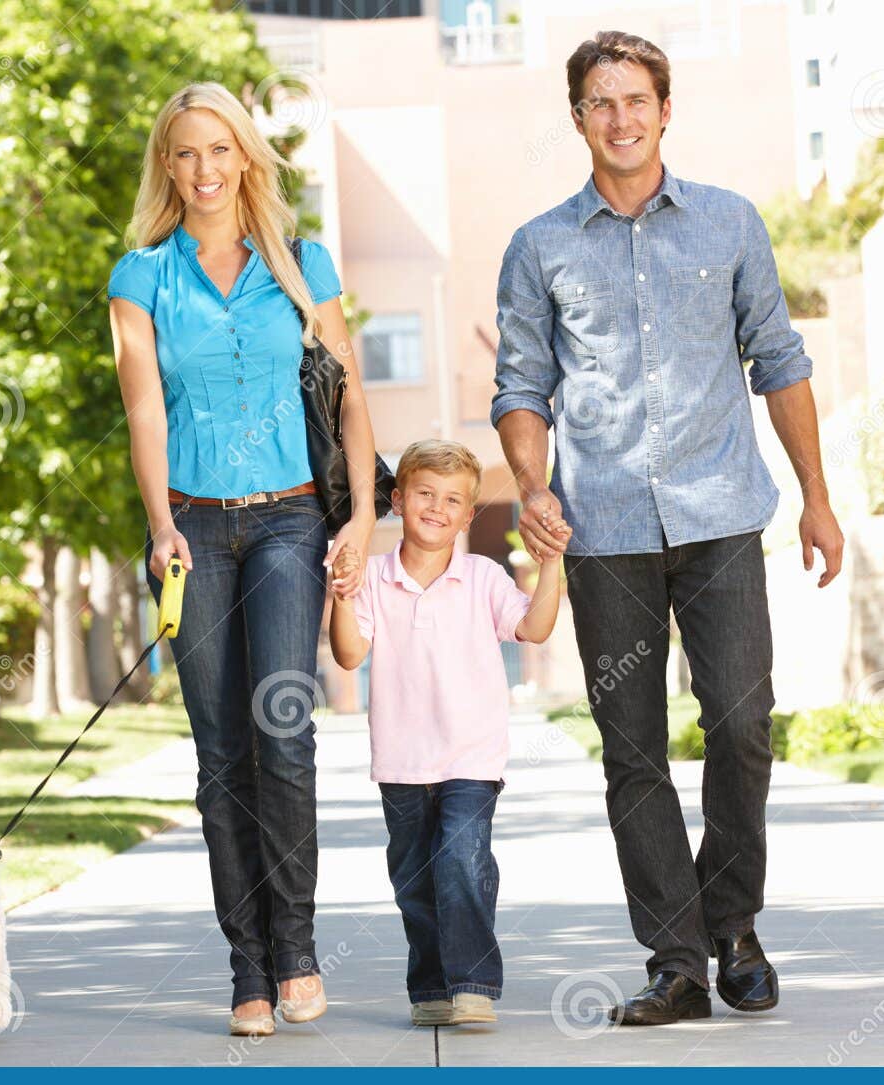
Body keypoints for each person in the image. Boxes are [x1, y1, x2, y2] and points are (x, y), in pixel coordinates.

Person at [490, 31, 845, 1027]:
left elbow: (778, 360)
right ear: (578, 118)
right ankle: (677, 960)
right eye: (600, 102)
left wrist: (816, 494)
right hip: (602, 527)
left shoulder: (729, 224)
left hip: (721, 512)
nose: (621, 117)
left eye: (636, 98)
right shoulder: (540, 246)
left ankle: (733, 924)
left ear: (663, 109)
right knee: (631, 748)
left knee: (741, 723)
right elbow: (520, 384)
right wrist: (531, 480)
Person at [107, 82, 380, 1037]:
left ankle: (297, 945)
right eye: (186, 153)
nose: (206, 169)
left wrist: (365, 516)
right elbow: (145, 407)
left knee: (283, 732)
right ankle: (249, 967)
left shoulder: (302, 266)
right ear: (167, 167)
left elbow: (347, 397)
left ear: (247, 158)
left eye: (221, 149)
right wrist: (158, 523)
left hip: (290, 523)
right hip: (192, 527)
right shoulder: (140, 277)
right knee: (221, 757)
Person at [327, 440, 564, 1026]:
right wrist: (339, 595)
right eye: (426, 494)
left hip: (471, 758)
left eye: (453, 499)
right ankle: (430, 987)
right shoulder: (374, 578)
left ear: (468, 515)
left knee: (462, 860)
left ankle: (474, 983)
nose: (437, 507)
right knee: (413, 879)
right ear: (399, 500)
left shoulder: (482, 577)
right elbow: (349, 654)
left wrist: (552, 564)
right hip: (402, 761)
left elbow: (533, 627)